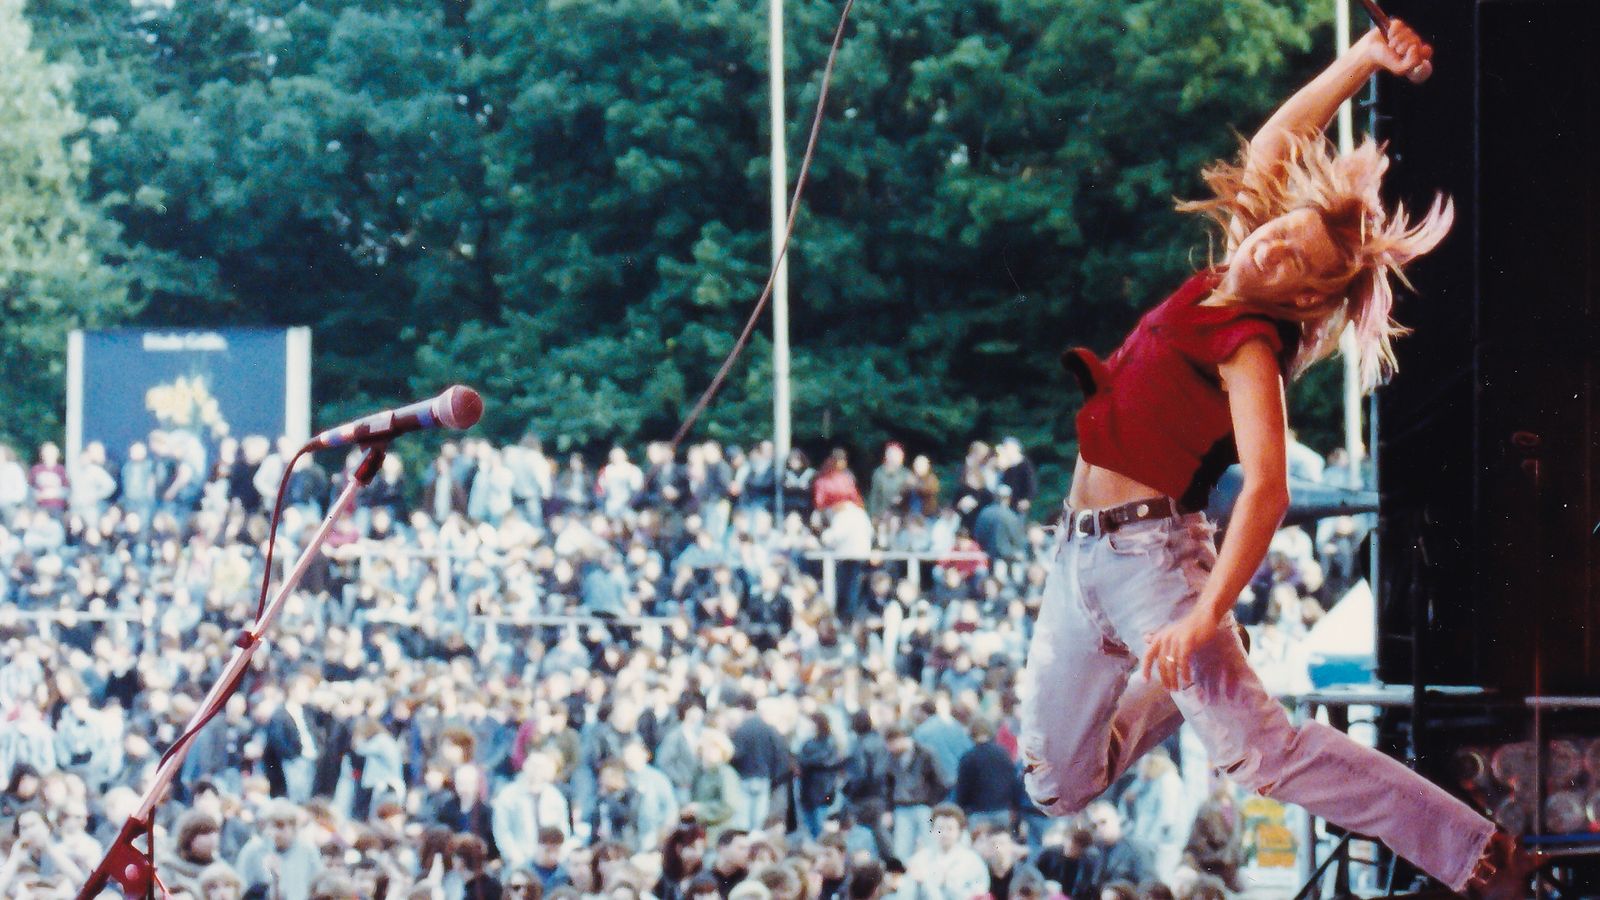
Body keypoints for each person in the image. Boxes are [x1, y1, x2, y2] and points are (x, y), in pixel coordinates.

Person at [1015, 19, 1534, 899]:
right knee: (1056, 786)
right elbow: (1277, 142)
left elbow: (1267, 490)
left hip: (1156, 568)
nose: (1274, 243)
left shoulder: (1251, 344)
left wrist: (1201, 613)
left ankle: (1474, 850)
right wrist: (1365, 58)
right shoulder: (1234, 268)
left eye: (1295, 256)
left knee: (1260, 752)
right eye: (1283, 227)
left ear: (1304, 298)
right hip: (1079, 554)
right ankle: (1191, 672)